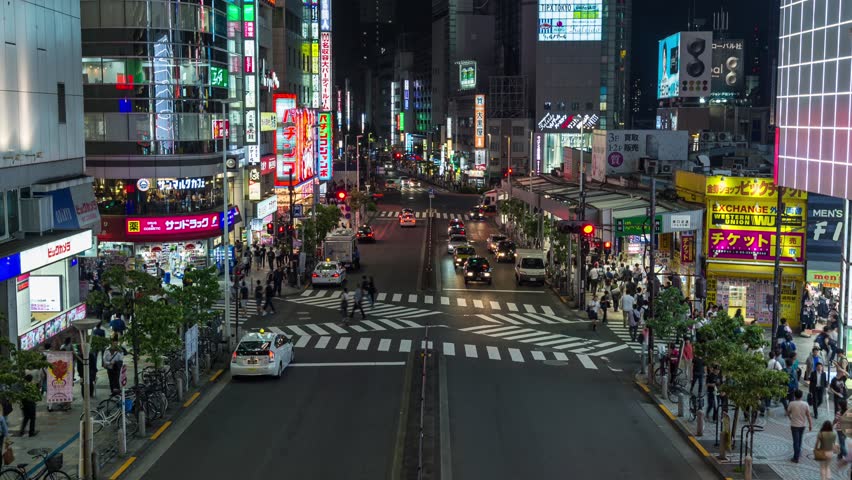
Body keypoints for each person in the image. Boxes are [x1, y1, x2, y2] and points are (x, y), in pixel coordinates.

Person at [786, 389, 812, 463]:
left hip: (794, 425)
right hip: (802, 425)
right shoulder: (805, 404)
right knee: (800, 440)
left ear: (795, 395)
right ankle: (798, 453)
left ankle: (796, 457)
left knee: (795, 441)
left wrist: (790, 418)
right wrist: (810, 425)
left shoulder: (792, 403)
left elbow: (788, 413)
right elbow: (808, 416)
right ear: (801, 395)